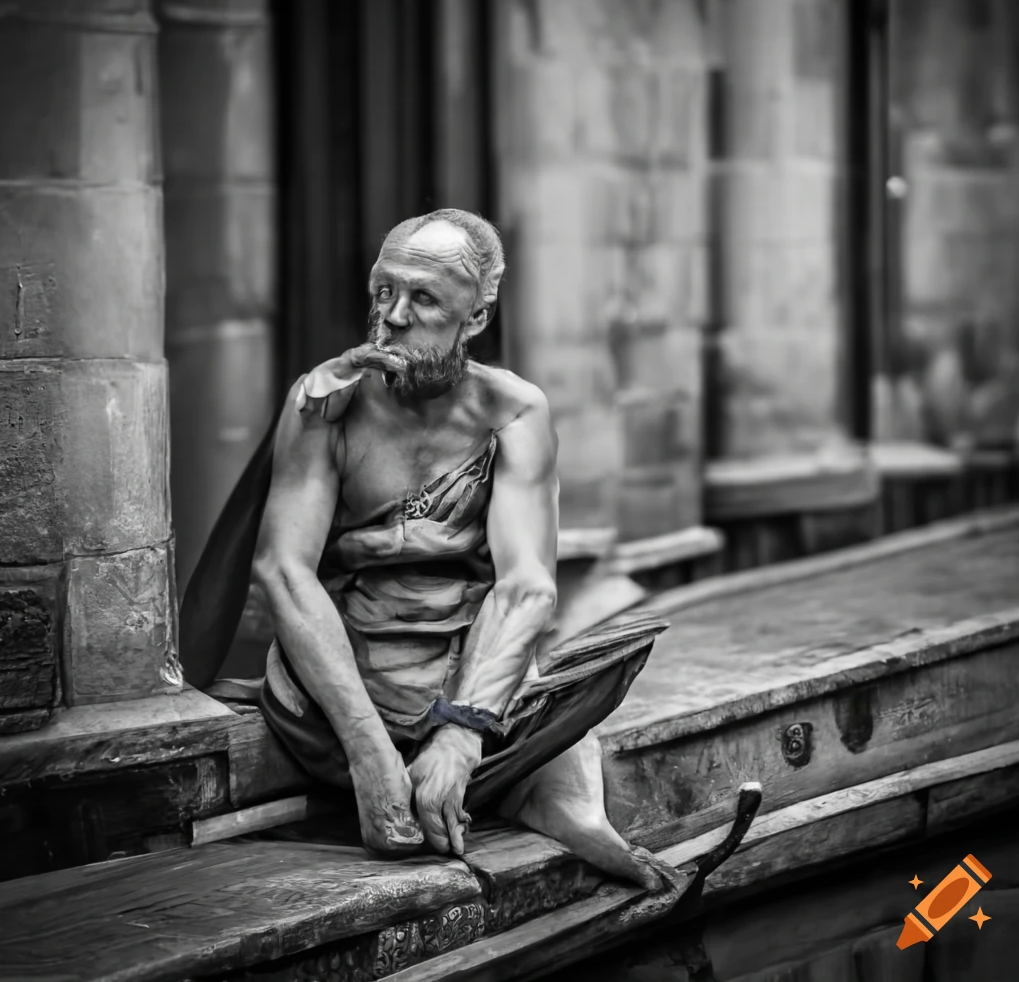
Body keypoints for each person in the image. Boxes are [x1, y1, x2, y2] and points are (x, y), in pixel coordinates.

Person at [180, 209, 669, 890]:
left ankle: (573, 814)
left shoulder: (515, 411)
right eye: (383, 291)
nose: (392, 317)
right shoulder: (325, 404)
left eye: (424, 298)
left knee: (558, 720)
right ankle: (459, 779)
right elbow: (285, 573)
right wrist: (368, 753)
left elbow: (526, 587)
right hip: (342, 681)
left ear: (475, 318)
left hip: (467, 666)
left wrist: (461, 733)